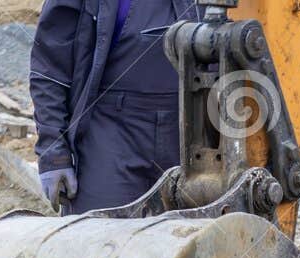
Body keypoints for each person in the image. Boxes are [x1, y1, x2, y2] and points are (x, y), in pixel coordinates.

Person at [30, 0, 197, 215]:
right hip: (110, 136)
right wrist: (54, 153)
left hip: (190, 137)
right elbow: (49, 70)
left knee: (189, 240)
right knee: (102, 238)